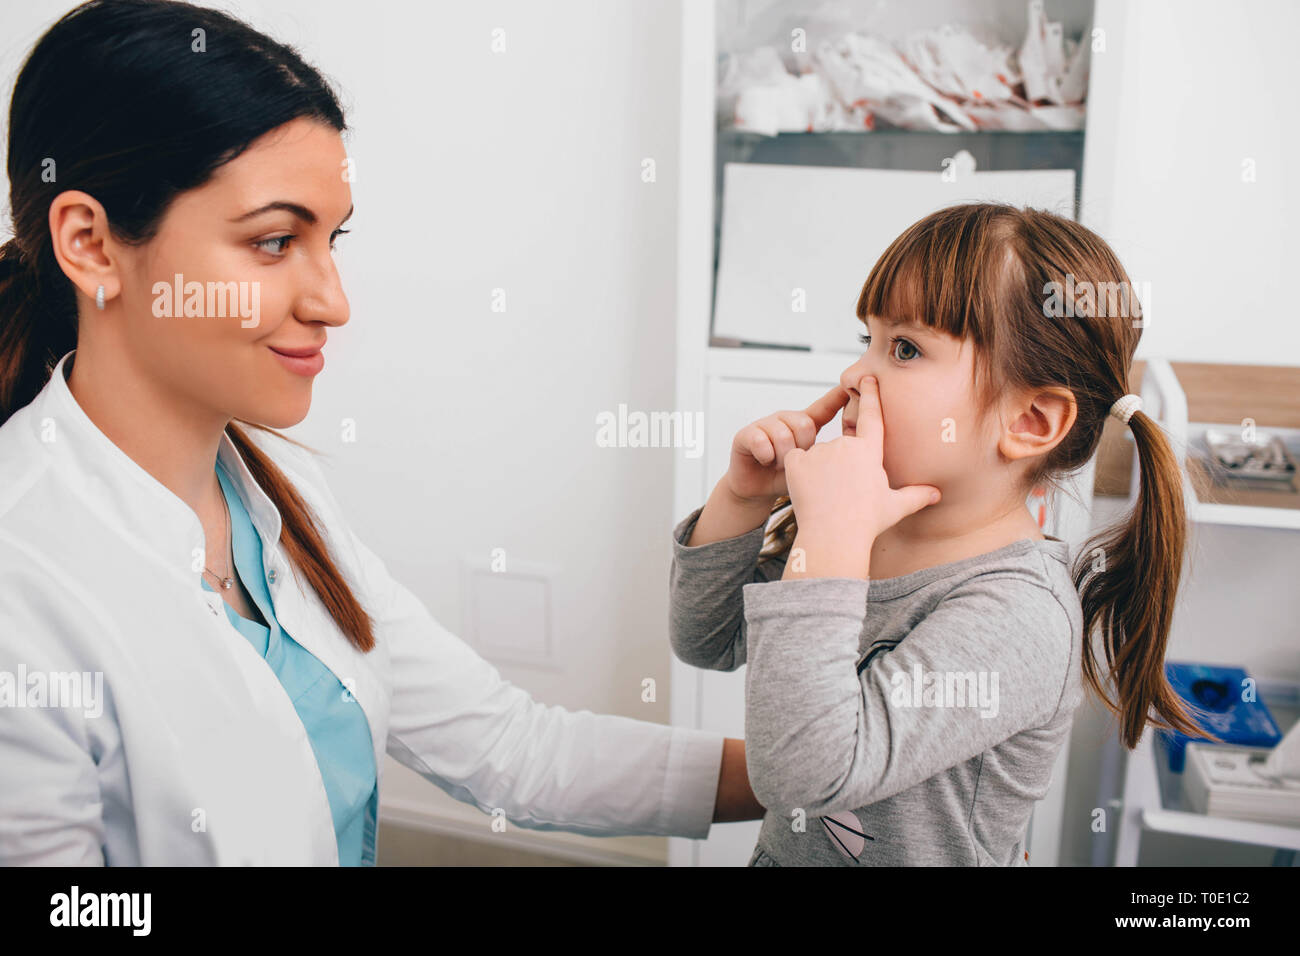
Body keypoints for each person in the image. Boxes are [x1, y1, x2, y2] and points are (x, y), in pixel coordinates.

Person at [0, 0, 761, 866]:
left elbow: (511, 748)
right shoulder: (20, 588)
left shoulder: (277, 504)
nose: (333, 302)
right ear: (92, 245)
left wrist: (822, 764)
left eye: (332, 239)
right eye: (275, 241)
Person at [668, 203, 1217, 866]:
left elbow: (803, 776)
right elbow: (708, 639)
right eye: (866, 340)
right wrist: (741, 499)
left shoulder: (1017, 615)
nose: (853, 378)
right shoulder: (860, 530)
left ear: (1032, 421)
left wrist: (833, 536)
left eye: (904, 349)